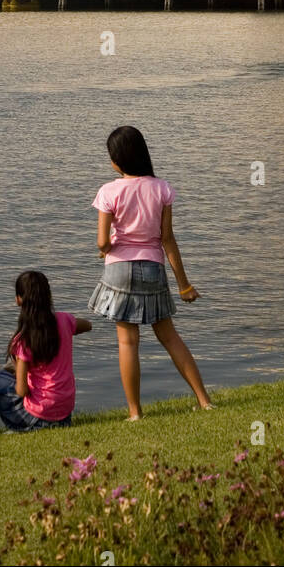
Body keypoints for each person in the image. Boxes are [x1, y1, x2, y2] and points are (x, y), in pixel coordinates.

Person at [88, 125, 212, 420]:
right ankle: (204, 400)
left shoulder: (109, 191)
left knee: (128, 342)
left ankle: (135, 413)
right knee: (170, 338)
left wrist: (106, 249)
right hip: (153, 268)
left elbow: (102, 242)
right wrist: (184, 285)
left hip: (118, 269)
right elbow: (168, 239)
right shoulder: (162, 189)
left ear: (117, 160)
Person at [0, 270, 92, 431]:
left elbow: (21, 391)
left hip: (37, 418)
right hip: (64, 415)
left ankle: (16, 425)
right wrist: (70, 327)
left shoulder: (23, 339)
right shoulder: (64, 320)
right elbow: (88, 325)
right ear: (48, 297)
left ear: (19, 300)